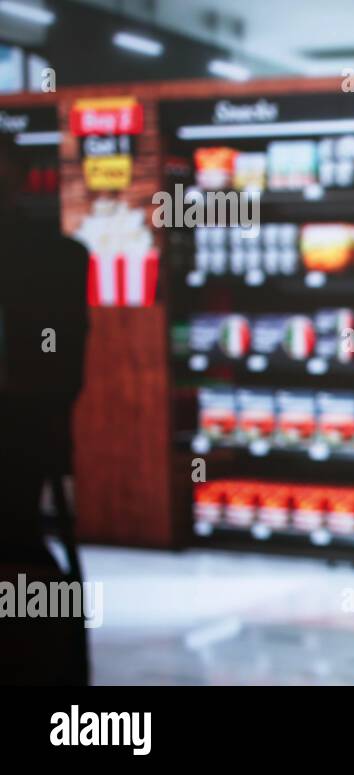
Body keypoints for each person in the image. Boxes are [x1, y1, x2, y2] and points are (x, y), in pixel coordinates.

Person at [0, 131, 92, 684]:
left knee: (20, 545)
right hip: (29, 432)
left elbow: (60, 369)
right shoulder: (57, 256)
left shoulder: (54, 257)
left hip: (21, 435)